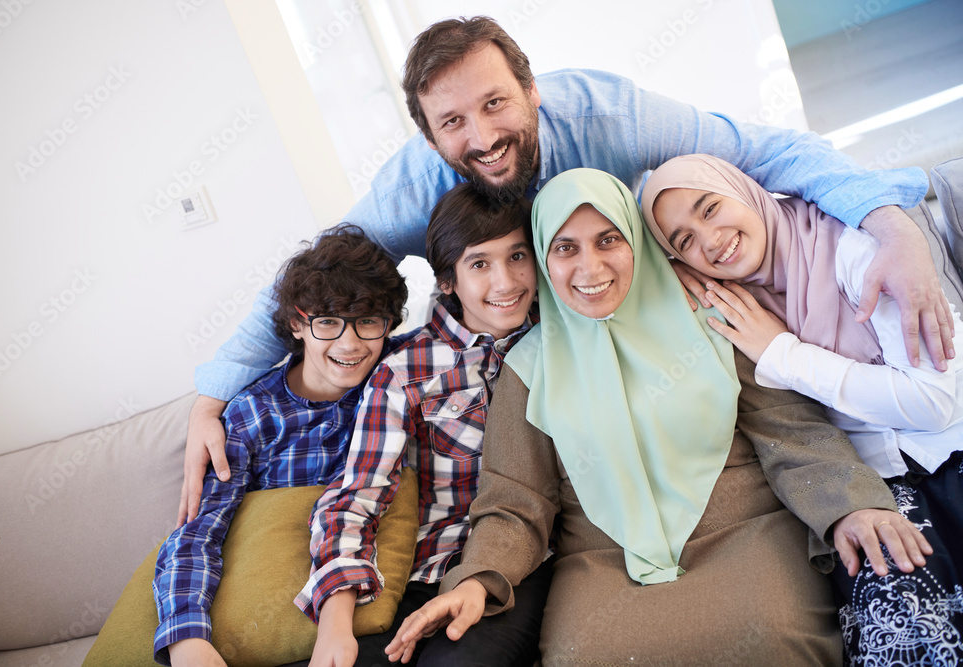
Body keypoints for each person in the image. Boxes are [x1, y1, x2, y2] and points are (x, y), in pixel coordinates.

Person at [179, 15, 954, 526]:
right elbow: (324, 275)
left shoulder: (613, 117)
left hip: (671, 329)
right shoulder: (415, 186)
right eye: (452, 123)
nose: (480, 137)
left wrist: (891, 223)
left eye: (494, 105)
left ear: (533, 92)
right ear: (427, 135)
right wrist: (213, 392)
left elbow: (767, 151)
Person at [385, 168, 930, 665]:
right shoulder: (529, 369)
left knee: (766, 638)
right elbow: (514, 501)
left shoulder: (715, 317)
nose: (590, 267)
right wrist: (476, 581)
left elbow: (792, 433)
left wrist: (851, 507)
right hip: (604, 561)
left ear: (638, 241)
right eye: (565, 248)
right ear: (545, 262)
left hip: (745, 533)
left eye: (608, 240)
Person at [640, 153, 963, 664]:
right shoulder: (734, 306)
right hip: (876, 486)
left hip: (952, 450)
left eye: (710, 208)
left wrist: (783, 355)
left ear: (745, 191)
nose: (709, 240)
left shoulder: (853, 250)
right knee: (904, 627)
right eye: (683, 242)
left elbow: (935, 403)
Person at [293, 184, 550, 667]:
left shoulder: (561, 339)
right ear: (448, 280)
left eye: (517, 256)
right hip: (420, 570)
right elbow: (357, 496)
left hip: (517, 565)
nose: (505, 281)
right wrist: (335, 625)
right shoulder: (404, 370)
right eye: (479, 264)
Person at [152, 226, 408, 667]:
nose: (350, 344)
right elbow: (198, 530)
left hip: (377, 597)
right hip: (276, 610)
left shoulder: (400, 377)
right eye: (328, 322)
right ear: (297, 324)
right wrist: (186, 637)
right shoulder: (252, 413)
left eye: (368, 321)